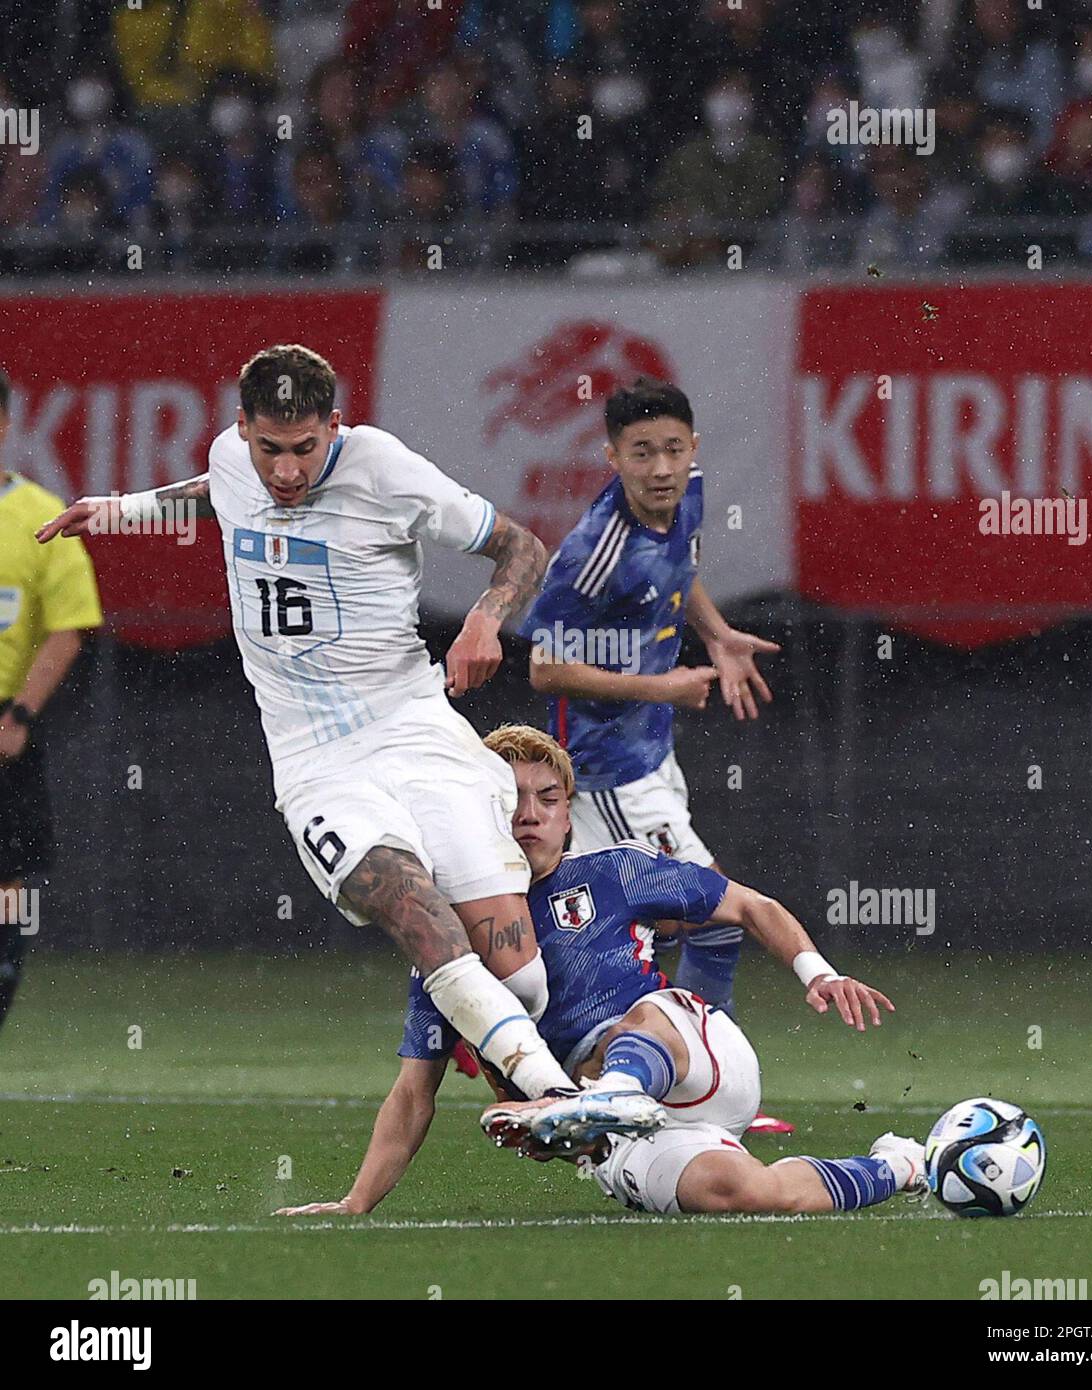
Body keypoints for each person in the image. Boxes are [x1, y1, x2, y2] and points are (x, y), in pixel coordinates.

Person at [35, 344, 654, 1140]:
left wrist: (482, 619)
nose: (286, 471)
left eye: (304, 449)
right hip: (314, 761)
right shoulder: (233, 459)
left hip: (411, 724)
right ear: (241, 431)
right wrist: (120, 509)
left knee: (521, 977)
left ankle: (565, 1068)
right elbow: (212, 492)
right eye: (269, 450)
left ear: (335, 425)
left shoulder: (386, 471)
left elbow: (521, 547)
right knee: (410, 908)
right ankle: (554, 1096)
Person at [275, 725, 924, 1219]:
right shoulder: (446, 948)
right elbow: (414, 1094)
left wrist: (817, 973)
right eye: (509, 798)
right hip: (625, 1140)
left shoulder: (615, 870)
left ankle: (612, 1094)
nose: (528, 813)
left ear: (567, 813)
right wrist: (354, 1202)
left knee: (630, 1027)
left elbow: (749, 905)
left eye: (548, 798)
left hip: (693, 1054)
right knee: (740, 1194)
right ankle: (900, 1164)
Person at [516, 376, 790, 1134]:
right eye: (641, 454)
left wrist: (717, 635)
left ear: (693, 449)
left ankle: (638, 1081)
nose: (661, 467)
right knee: (712, 915)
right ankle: (704, 1084)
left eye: (672, 449)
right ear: (612, 458)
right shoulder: (592, 554)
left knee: (674, 922)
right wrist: (660, 687)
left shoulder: (688, 493)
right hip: (602, 769)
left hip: (648, 758)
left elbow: (679, 572)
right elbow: (543, 667)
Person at [0, 366, 103, 1029]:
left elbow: (68, 631)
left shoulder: (40, 516)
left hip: (3, 728)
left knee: (6, 883)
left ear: (7, 424)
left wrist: (18, 716)